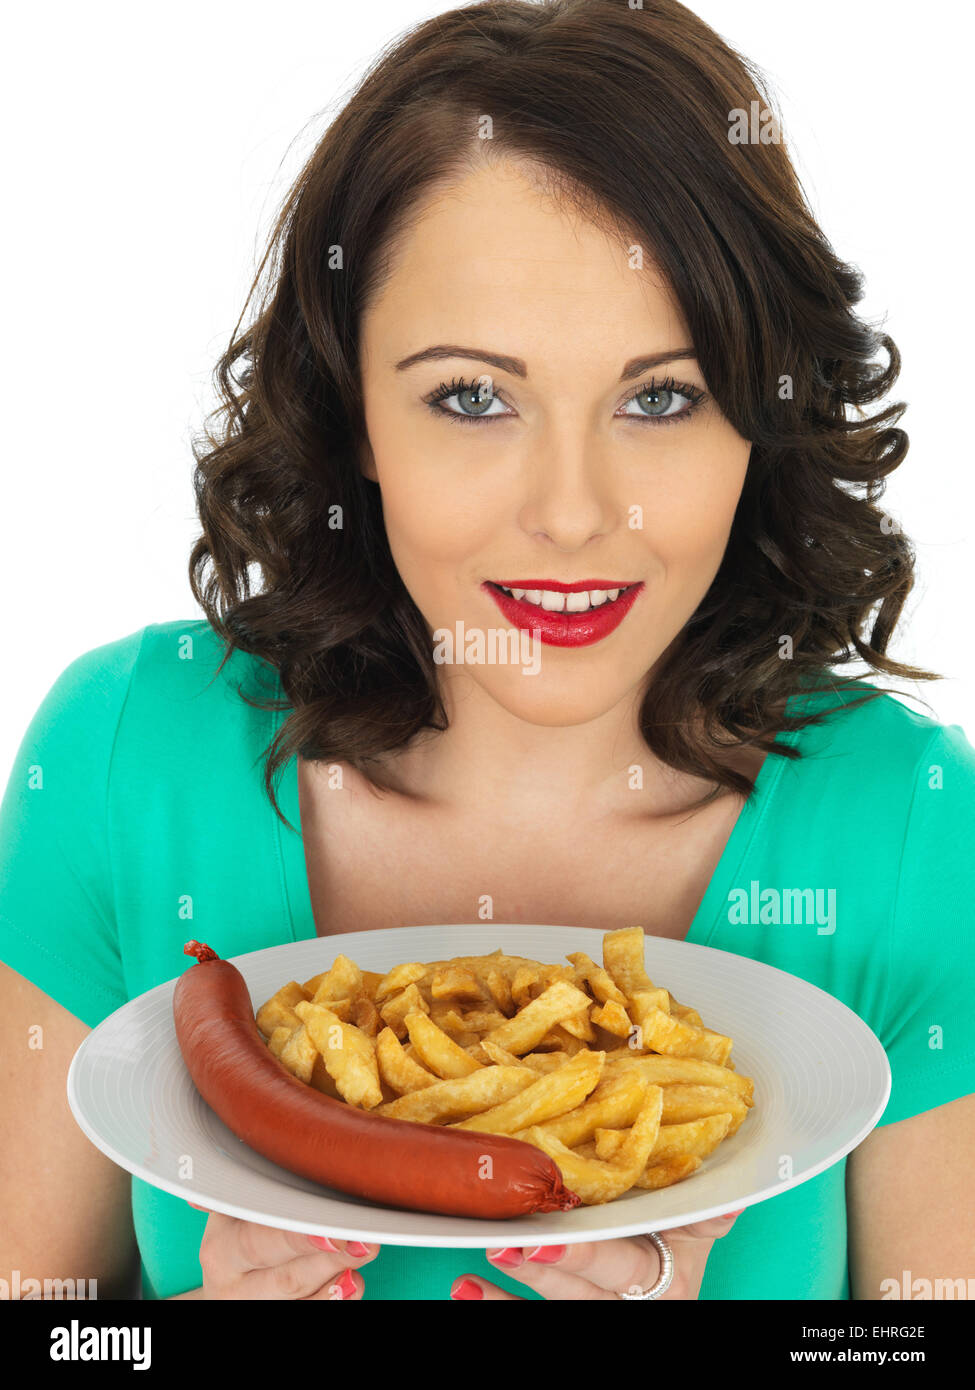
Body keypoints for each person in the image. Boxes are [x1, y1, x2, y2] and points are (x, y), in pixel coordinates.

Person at [2, 0, 974, 1302]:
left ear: (761, 416)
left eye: (660, 396)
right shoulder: (128, 755)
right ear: (352, 408)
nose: (571, 513)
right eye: (472, 396)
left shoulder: (910, 832)